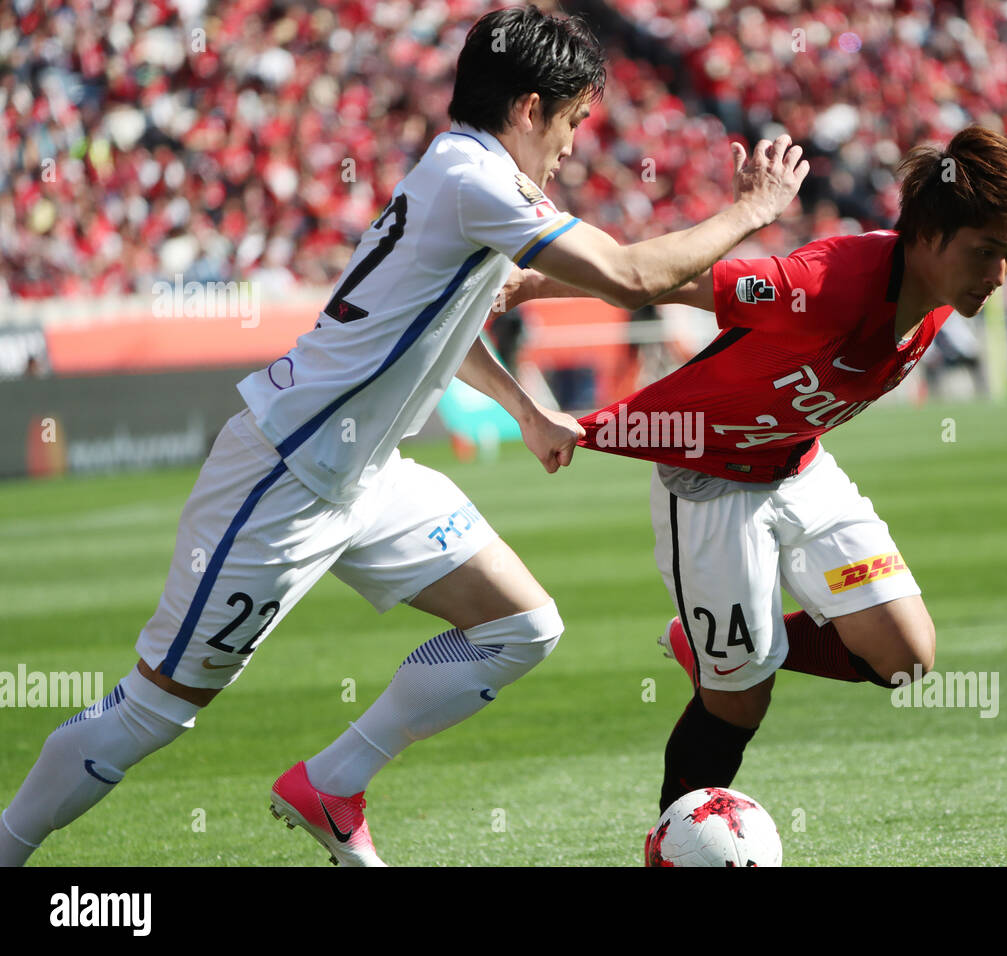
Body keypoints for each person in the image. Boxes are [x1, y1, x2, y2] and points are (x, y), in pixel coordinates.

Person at [0, 4, 808, 867]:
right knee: (153, 710)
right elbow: (632, 276)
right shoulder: (478, 181)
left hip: (369, 475)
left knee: (522, 628)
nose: (575, 146)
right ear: (531, 110)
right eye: (573, 122)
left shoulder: (462, 173)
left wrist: (523, 409)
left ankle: (332, 783)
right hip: (286, 478)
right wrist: (754, 211)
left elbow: (439, 325)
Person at [507, 126, 1007, 853]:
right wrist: (535, 279)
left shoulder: (940, 294)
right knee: (738, 701)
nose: (1002, 272)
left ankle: (708, 644)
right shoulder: (822, 284)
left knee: (907, 656)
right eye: (988, 250)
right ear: (928, 235)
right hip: (713, 482)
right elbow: (657, 277)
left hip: (799, 464)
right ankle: (675, 847)